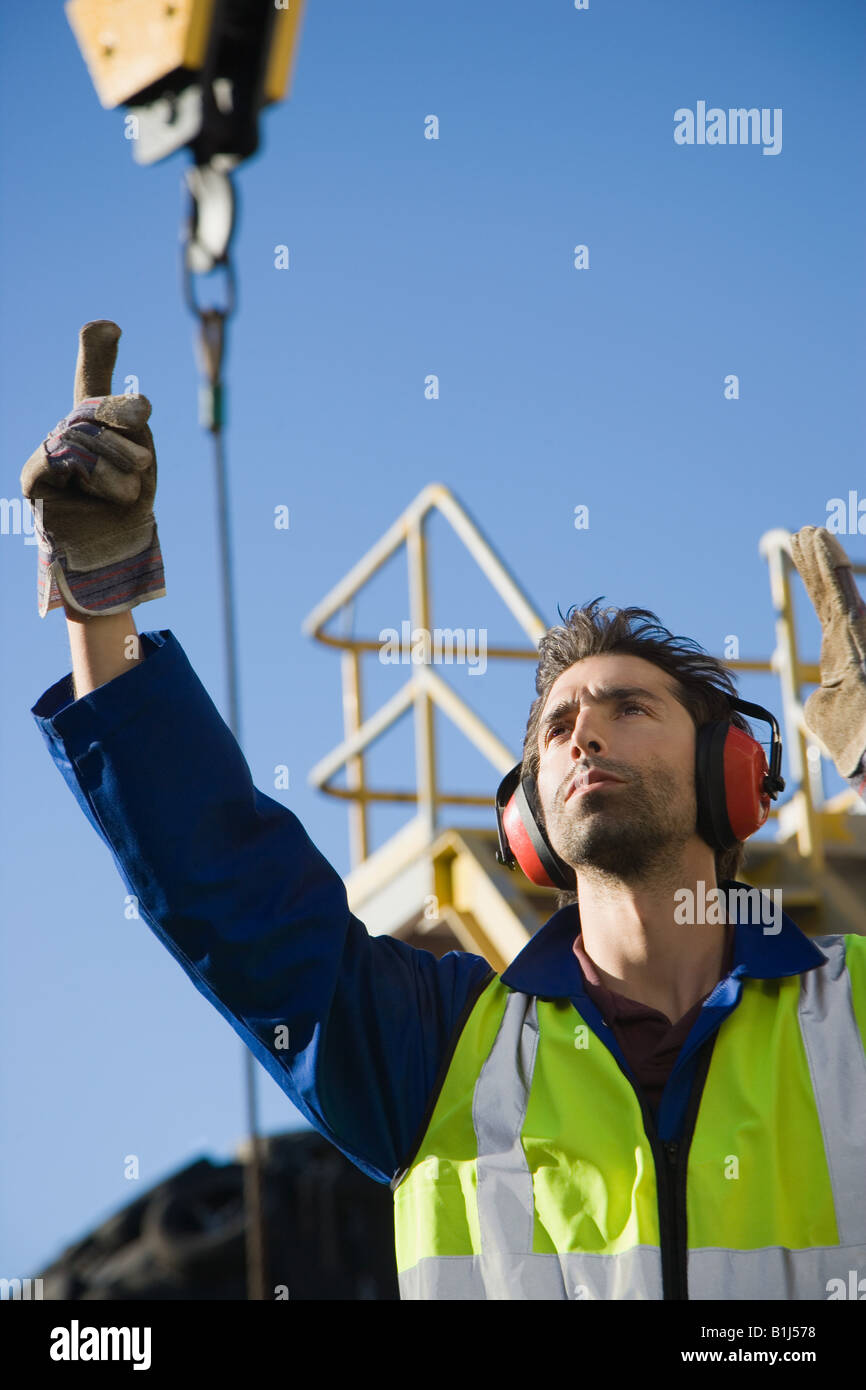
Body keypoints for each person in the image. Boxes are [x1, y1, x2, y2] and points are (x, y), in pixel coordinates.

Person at [22, 322, 866, 1301]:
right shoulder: (439, 1052)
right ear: (528, 821)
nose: (580, 734)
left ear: (733, 777)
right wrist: (101, 603)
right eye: (554, 725)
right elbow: (218, 876)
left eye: (627, 708)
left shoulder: (843, 1012)